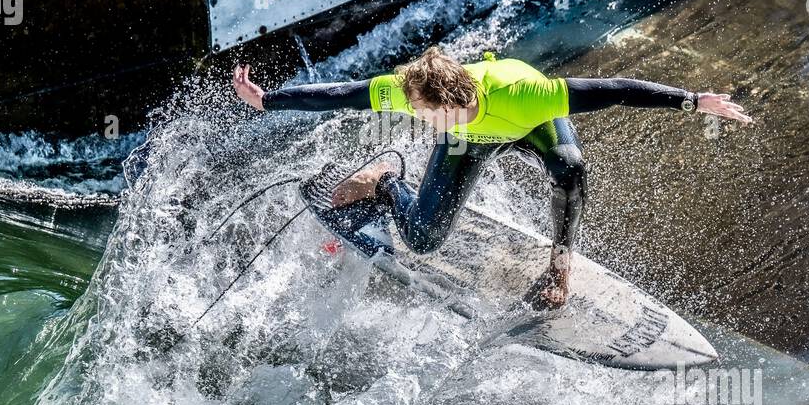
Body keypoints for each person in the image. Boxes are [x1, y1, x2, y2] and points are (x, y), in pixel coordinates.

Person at [232, 48, 751, 308]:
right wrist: (268, 100)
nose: (415, 118)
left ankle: (560, 265)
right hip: (471, 138)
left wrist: (692, 100)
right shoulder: (412, 94)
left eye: (425, 114)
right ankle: (387, 180)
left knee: (571, 166)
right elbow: (341, 93)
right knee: (422, 239)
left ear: (451, 102)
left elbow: (616, 87)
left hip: (526, 126)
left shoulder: (528, 95)